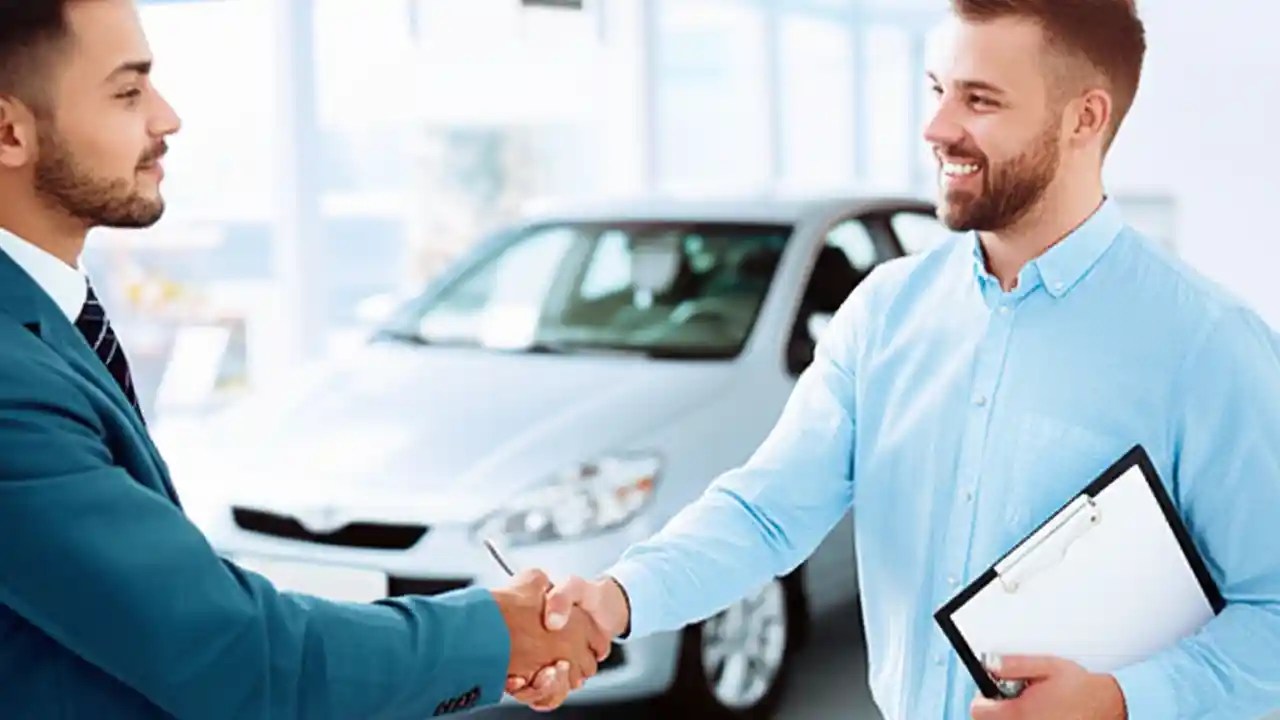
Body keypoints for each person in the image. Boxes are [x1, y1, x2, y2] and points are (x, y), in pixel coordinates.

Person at [517, 1, 1280, 718]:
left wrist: (1118, 700)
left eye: (979, 101)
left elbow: (1273, 615)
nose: (936, 127)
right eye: (937, 89)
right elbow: (765, 512)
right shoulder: (884, 313)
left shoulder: (1208, 346)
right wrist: (615, 600)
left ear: (1085, 117)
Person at [0, 1, 603, 717]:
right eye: (128, 93)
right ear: (9, 131)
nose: (166, 119)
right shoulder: (11, 377)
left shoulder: (45, 318)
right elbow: (231, 653)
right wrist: (498, 633)